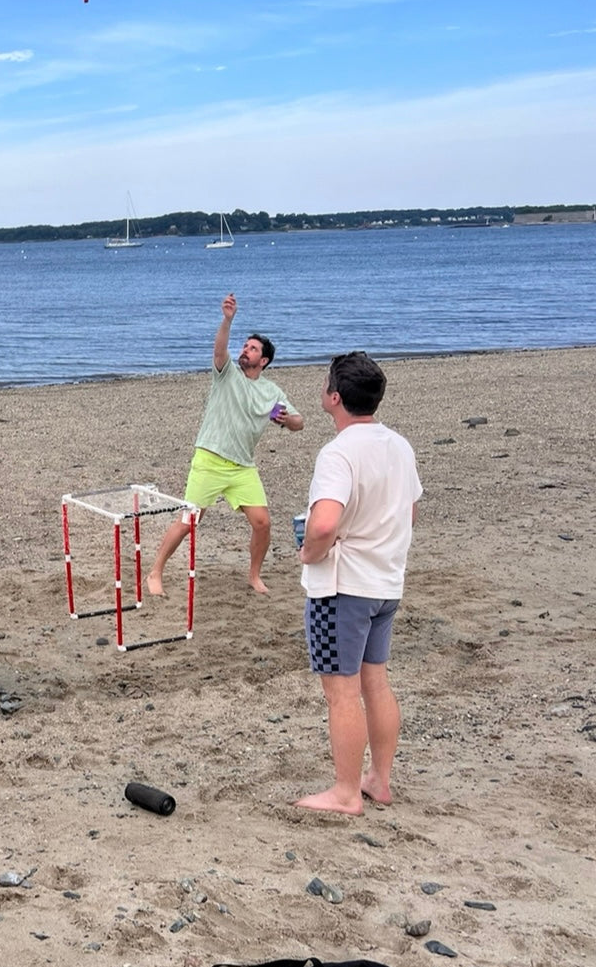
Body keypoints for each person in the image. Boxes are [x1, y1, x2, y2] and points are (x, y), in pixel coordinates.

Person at [295, 351, 422, 815]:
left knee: (342, 692)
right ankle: (379, 780)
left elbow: (324, 524)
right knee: (376, 683)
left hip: (343, 587)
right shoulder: (398, 444)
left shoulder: (339, 452)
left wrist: (308, 552)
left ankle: (347, 791)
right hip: (386, 583)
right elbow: (409, 510)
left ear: (334, 397)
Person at [146, 293, 303, 596]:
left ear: (264, 360)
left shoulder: (270, 392)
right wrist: (227, 320)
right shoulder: (227, 374)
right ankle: (155, 573)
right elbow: (220, 350)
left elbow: (298, 422)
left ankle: (254, 576)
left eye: (252, 348)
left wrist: (287, 420)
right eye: (245, 346)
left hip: (243, 467)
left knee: (263, 523)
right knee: (188, 521)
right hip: (210, 459)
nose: (245, 350)